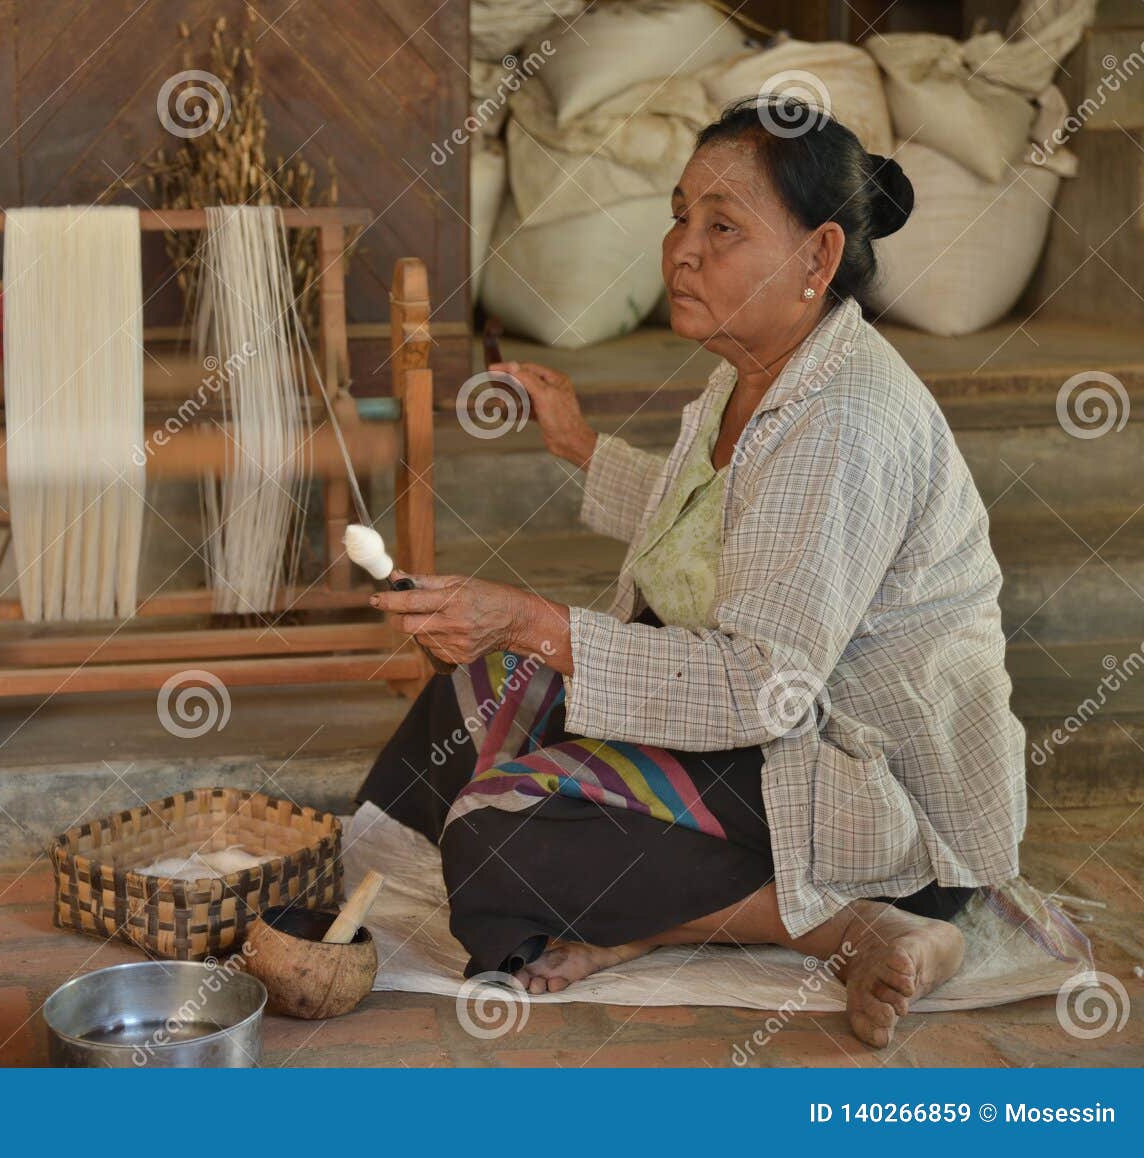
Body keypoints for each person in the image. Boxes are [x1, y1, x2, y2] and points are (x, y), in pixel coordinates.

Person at [360, 97, 1026, 1049]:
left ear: (818, 257)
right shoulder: (752, 370)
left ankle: (835, 922)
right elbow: (728, 533)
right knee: (462, 702)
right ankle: (659, 906)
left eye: (723, 227)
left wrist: (535, 623)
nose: (681, 248)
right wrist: (584, 447)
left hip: (865, 786)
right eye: (681, 215)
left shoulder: (845, 418)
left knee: (495, 829)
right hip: (771, 736)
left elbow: (764, 685)